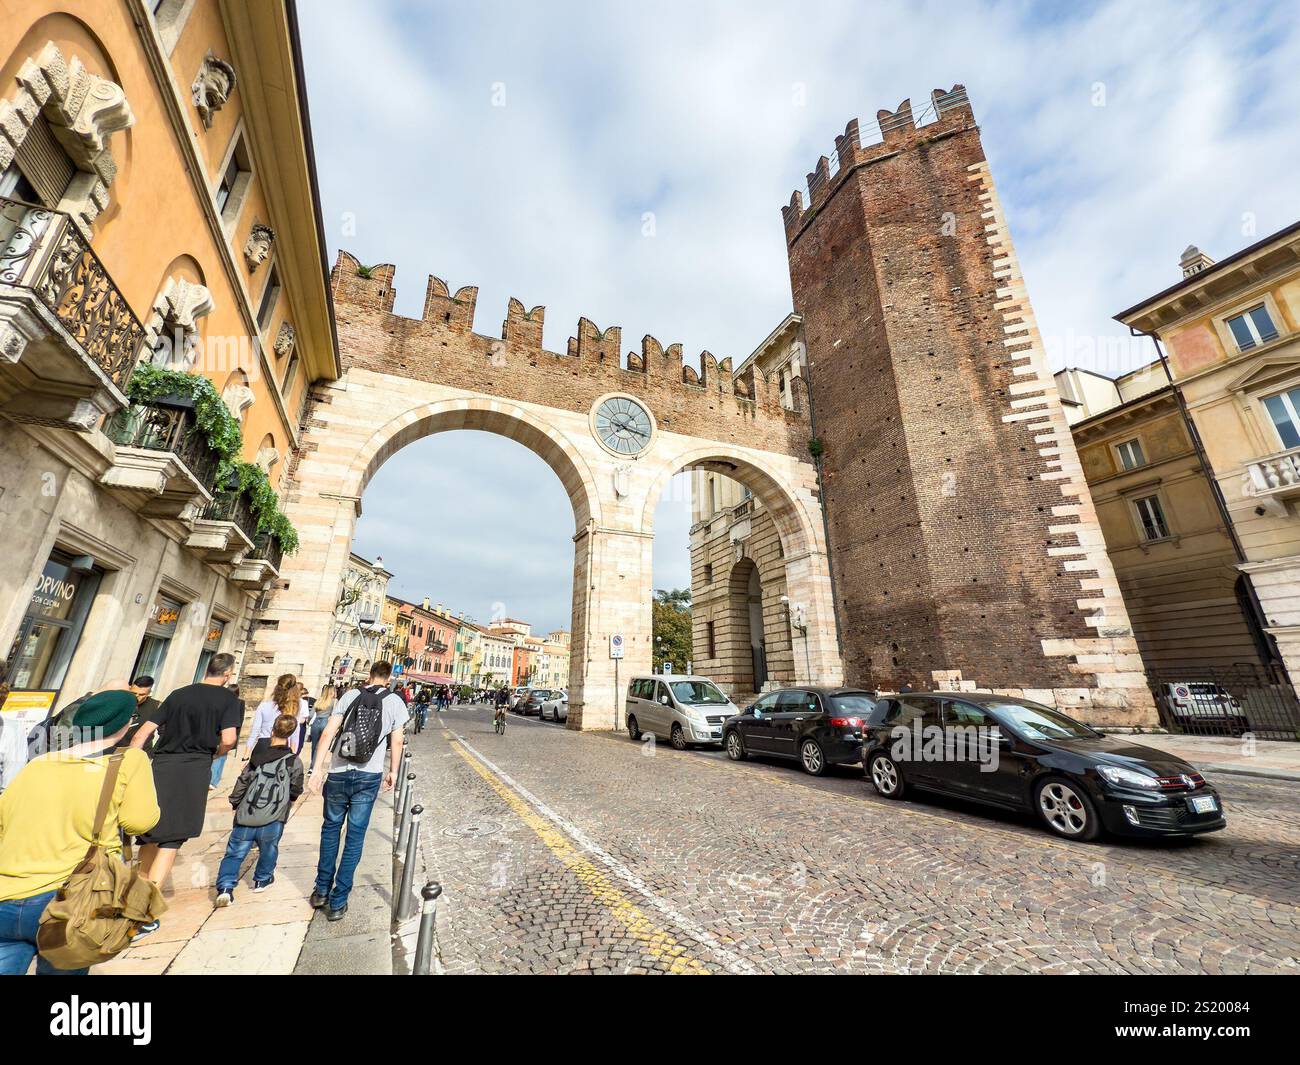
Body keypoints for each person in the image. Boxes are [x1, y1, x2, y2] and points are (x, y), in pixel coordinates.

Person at [0, 689, 160, 974]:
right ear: (125, 723)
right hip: (69, 899)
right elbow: (140, 822)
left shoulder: (37, 765)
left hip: (7, 896)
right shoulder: (128, 762)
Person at [130, 652, 242, 935]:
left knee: (149, 832)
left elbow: (142, 733)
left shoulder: (178, 694)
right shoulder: (228, 700)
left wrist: (134, 762)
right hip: (193, 768)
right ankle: (145, 912)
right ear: (227, 674)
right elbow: (228, 739)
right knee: (172, 838)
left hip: (163, 765)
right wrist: (216, 753)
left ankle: (133, 898)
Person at [308, 661, 407, 922]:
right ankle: (338, 901)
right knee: (355, 836)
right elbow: (397, 740)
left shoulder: (350, 695)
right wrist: (394, 772)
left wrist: (317, 768)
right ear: (389, 678)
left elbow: (328, 732)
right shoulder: (395, 701)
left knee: (330, 829)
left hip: (338, 773)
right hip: (368, 774)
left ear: (369, 675)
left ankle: (320, 890)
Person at [214, 712, 304, 905]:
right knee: (269, 849)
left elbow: (243, 781)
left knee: (235, 852)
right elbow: (296, 787)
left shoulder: (258, 758)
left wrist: (235, 801)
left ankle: (226, 887)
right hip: (273, 816)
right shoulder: (293, 761)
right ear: (292, 734)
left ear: (272, 730)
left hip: (248, 813)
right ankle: (262, 879)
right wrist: (289, 802)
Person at [245, 674, 306, 757]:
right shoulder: (294, 708)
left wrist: (246, 755)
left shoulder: (264, 706)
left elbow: (255, 731)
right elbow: (295, 735)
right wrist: (293, 756)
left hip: (263, 745)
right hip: (282, 747)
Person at [121, 676, 161, 753]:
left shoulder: (157, 706)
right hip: (113, 750)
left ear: (149, 693)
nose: (137, 696)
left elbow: (165, 733)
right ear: (129, 688)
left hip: (140, 752)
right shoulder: (118, 701)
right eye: (133, 693)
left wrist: (154, 753)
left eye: (142, 694)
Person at [307, 685, 336, 773]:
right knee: (321, 747)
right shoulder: (333, 701)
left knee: (314, 746)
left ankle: (311, 767)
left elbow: (311, 714)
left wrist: (308, 722)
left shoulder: (319, 700)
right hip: (325, 722)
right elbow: (334, 714)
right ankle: (316, 767)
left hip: (316, 723)